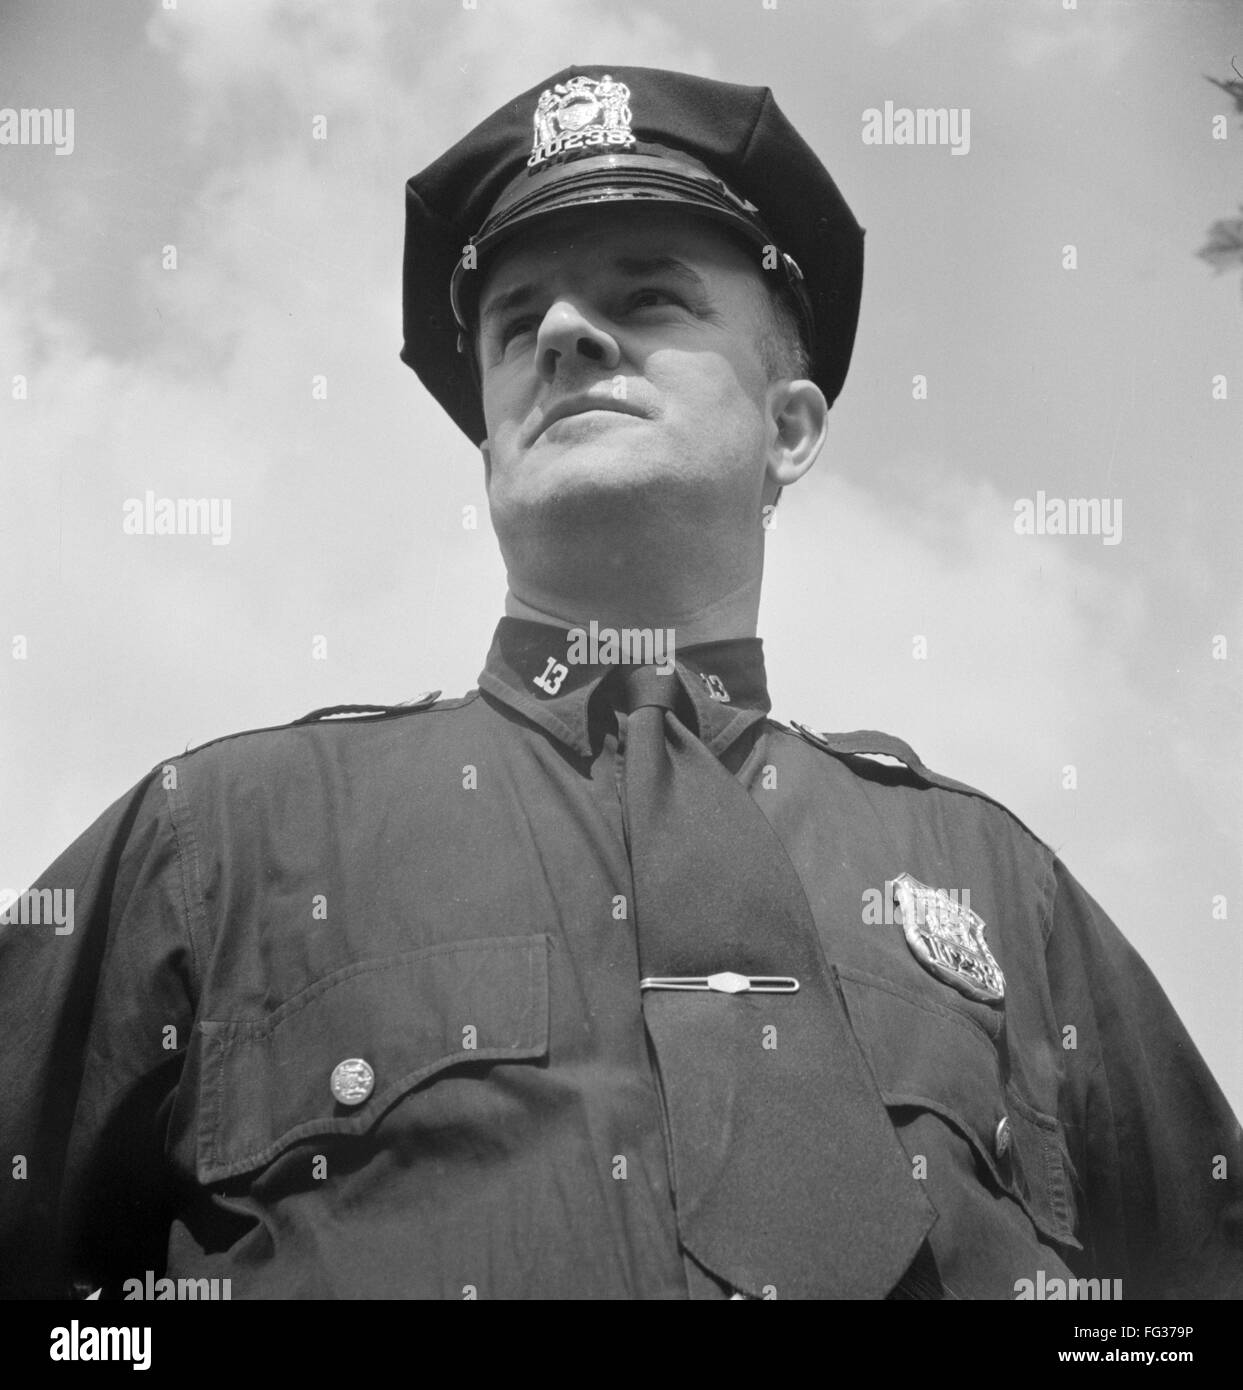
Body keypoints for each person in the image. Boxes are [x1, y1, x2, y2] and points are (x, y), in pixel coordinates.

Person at [2, 64, 1239, 1302]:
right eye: (514, 320)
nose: (559, 336)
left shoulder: (998, 891)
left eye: (645, 296)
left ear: (790, 428)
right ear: (488, 438)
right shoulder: (219, 840)